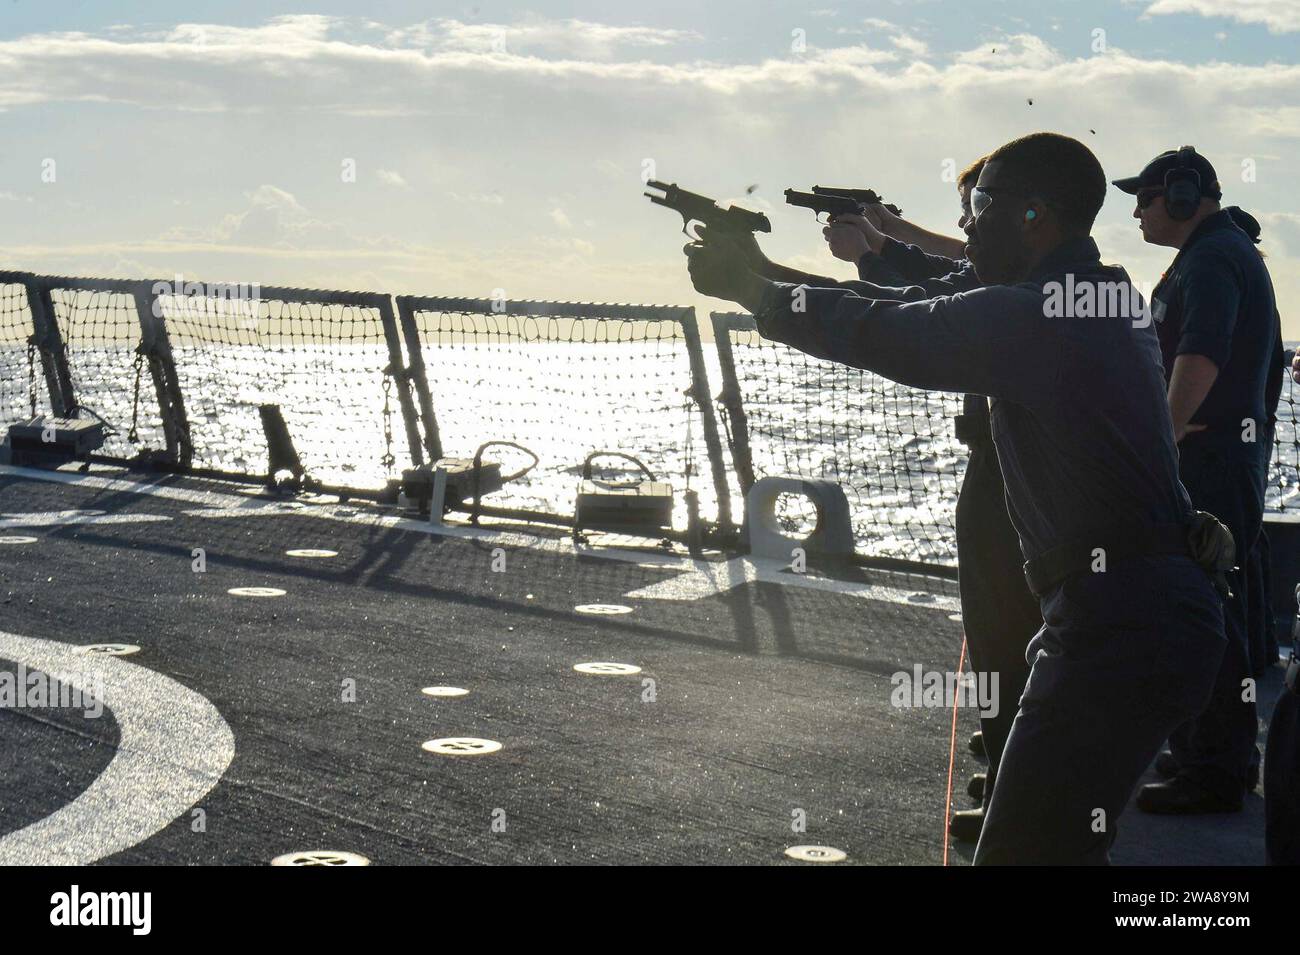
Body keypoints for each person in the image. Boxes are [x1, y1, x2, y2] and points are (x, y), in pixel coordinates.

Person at [683, 131, 1230, 864]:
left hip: (1121, 626)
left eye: (979, 203)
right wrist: (760, 274)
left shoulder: (1047, 312)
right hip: (1133, 615)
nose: (966, 222)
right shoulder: (1087, 291)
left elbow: (898, 331)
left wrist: (755, 291)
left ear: (1034, 216)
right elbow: (904, 299)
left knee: (1023, 853)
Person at [823, 159, 1042, 844]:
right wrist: (881, 240)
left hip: (1005, 470)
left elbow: (926, 302)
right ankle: (1014, 767)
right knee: (1013, 635)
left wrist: (870, 252)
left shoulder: (1015, 285)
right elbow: (946, 274)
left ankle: (1016, 787)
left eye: (976, 209)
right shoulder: (1053, 280)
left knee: (1004, 633)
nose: (964, 226)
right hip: (1009, 464)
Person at [1109, 149, 1281, 815]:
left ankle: (1214, 769)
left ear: (1182, 197)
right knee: (1210, 608)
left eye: (1146, 198)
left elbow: (1201, 352)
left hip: (1209, 462)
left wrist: (1161, 437)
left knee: (1204, 612)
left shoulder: (1210, 260)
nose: (1137, 211)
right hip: (1221, 458)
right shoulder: (1218, 253)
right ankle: (1217, 755)